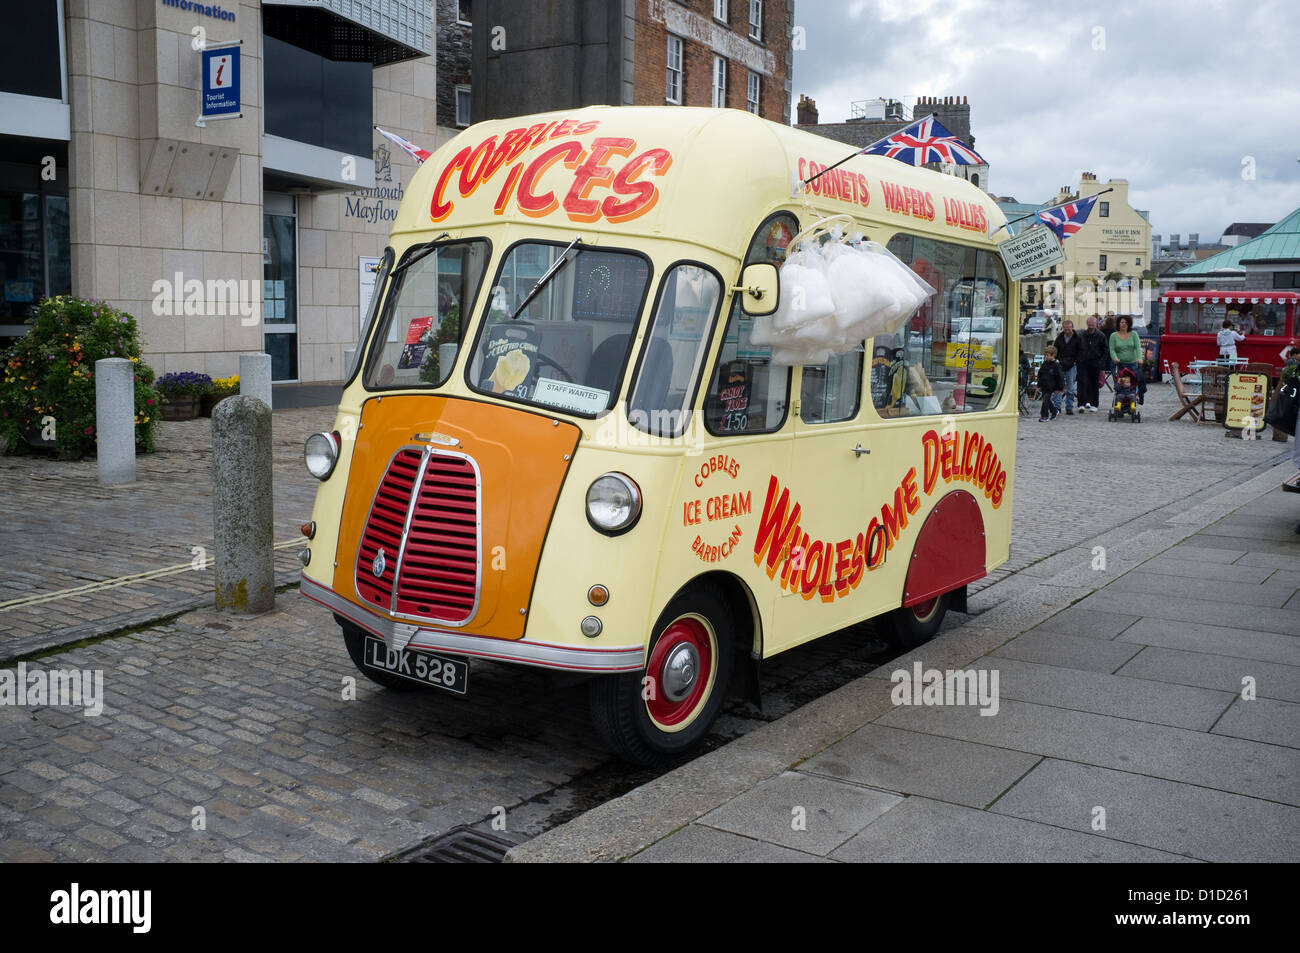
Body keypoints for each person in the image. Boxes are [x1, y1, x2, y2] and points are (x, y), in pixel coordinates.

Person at [1109, 314, 1146, 404]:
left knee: (1140, 380)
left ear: (1129, 324)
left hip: (1132, 364)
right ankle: (1120, 402)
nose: (1124, 324)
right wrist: (1115, 358)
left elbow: (1138, 347)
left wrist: (1139, 358)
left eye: (1126, 322)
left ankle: (1140, 397)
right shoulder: (1113, 335)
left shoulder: (1134, 334)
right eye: (1122, 322)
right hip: (1119, 364)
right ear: (1118, 324)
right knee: (1121, 384)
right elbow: (1112, 349)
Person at [1052, 319, 1084, 414]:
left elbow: (1082, 351)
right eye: (1065, 329)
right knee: (1058, 386)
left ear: (1072, 328)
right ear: (1063, 328)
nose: (1067, 331)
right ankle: (1057, 407)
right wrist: (1056, 360)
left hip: (1072, 365)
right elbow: (1055, 350)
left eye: (1069, 329)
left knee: (1070, 388)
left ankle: (1069, 407)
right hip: (1060, 364)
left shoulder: (1078, 338)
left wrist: (1076, 361)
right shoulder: (1059, 338)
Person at [1079, 314, 1106, 412]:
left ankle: (1094, 404)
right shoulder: (1082, 335)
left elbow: (1105, 350)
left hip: (1095, 362)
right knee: (1082, 382)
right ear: (1087, 324)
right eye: (1089, 324)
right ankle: (1081, 403)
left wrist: (1101, 362)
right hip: (1083, 362)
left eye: (1093, 324)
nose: (1091, 326)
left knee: (1094, 383)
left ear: (1096, 324)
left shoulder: (1101, 335)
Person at [1037, 344, 1064, 422]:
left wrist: (1059, 388)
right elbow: (1040, 374)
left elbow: (1060, 377)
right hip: (1044, 386)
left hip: (1052, 387)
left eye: (1047, 355)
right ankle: (1054, 411)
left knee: (1045, 400)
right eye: (1045, 355)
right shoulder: (1044, 364)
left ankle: (1044, 416)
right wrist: (1039, 385)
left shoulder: (1057, 366)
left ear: (1053, 355)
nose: (1046, 357)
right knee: (1047, 400)